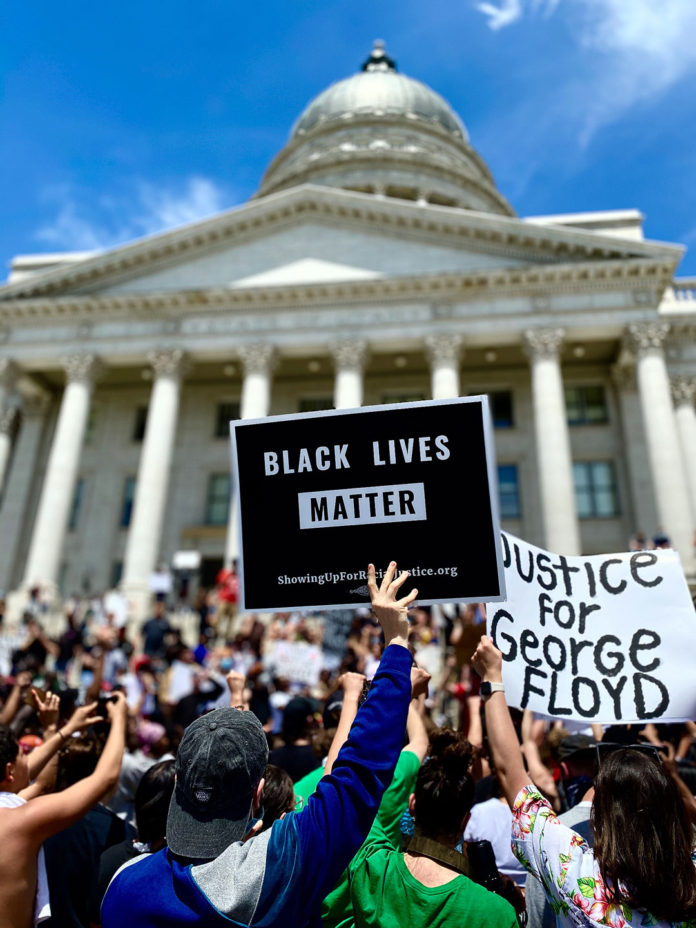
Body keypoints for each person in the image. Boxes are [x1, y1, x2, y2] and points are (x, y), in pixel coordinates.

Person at [101, 560, 416, 927]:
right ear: (258, 795)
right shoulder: (280, 867)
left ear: (177, 785)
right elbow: (359, 771)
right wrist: (395, 642)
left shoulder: (122, 886)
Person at [472, 635, 696, 927]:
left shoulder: (581, 880)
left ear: (602, 815)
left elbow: (509, 773)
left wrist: (492, 680)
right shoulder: (688, 885)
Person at [349, 728, 517, 928]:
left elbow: (348, 789)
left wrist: (352, 699)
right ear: (465, 821)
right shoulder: (497, 913)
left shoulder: (372, 868)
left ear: (412, 805)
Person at [0, 692, 127, 928]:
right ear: (9, 771)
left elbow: (38, 782)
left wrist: (61, 731)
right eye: (23, 755)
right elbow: (105, 778)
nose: (29, 759)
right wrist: (120, 719)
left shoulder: (15, 806)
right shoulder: (19, 821)